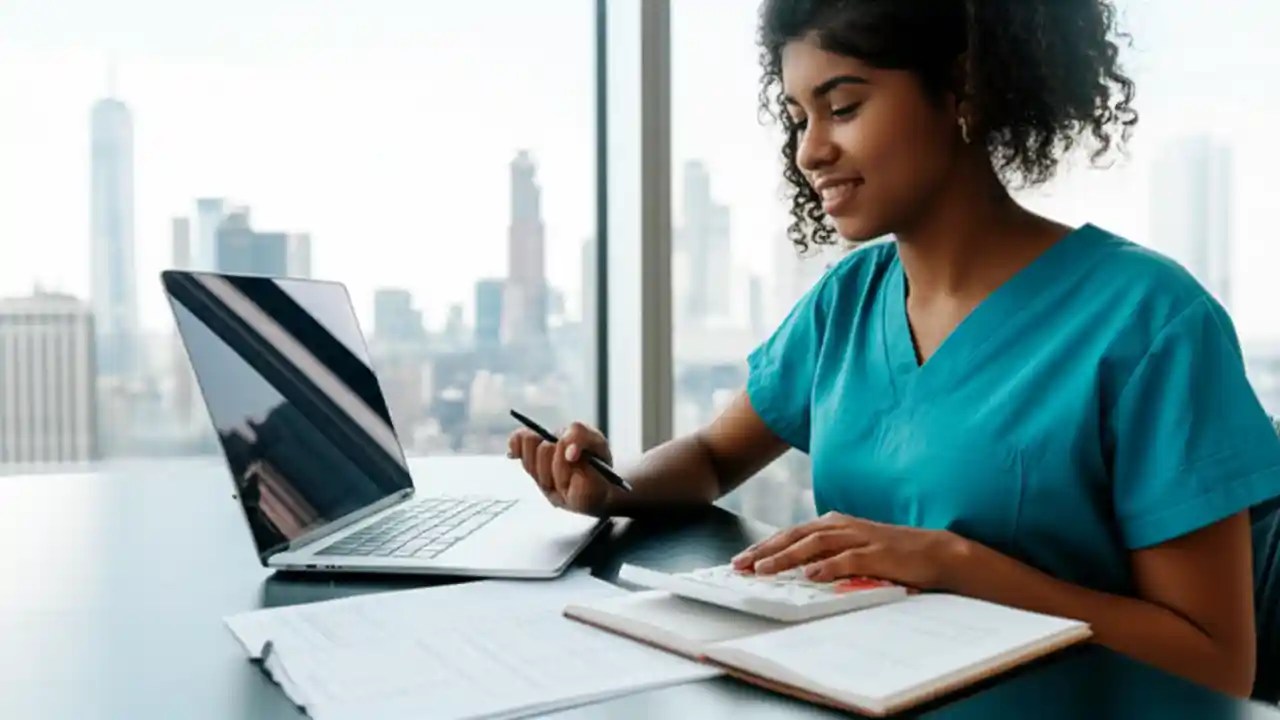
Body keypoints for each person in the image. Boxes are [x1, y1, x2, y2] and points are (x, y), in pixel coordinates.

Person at [508, 0, 1280, 697]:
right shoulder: (848, 299)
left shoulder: (1149, 320)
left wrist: (956, 566)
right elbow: (713, 455)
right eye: (797, 118)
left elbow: (1215, 664)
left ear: (963, 87)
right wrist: (612, 489)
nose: (810, 151)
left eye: (842, 107)